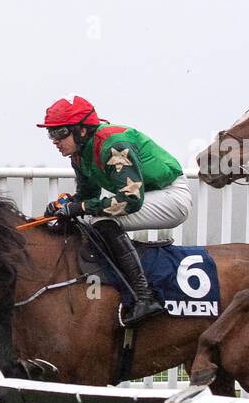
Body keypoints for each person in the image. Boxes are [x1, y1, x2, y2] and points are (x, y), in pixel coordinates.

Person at [38, 95, 192, 326]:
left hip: (171, 196)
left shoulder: (113, 144)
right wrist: (64, 206)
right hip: (148, 195)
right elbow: (87, 197)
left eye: (60, 133)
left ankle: (144, 296)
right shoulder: (79, 155)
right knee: (91, 217)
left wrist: (78, 207)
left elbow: (130, 200)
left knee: (100, 218)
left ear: (82, 130)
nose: (54, 141)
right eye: (51, 133)